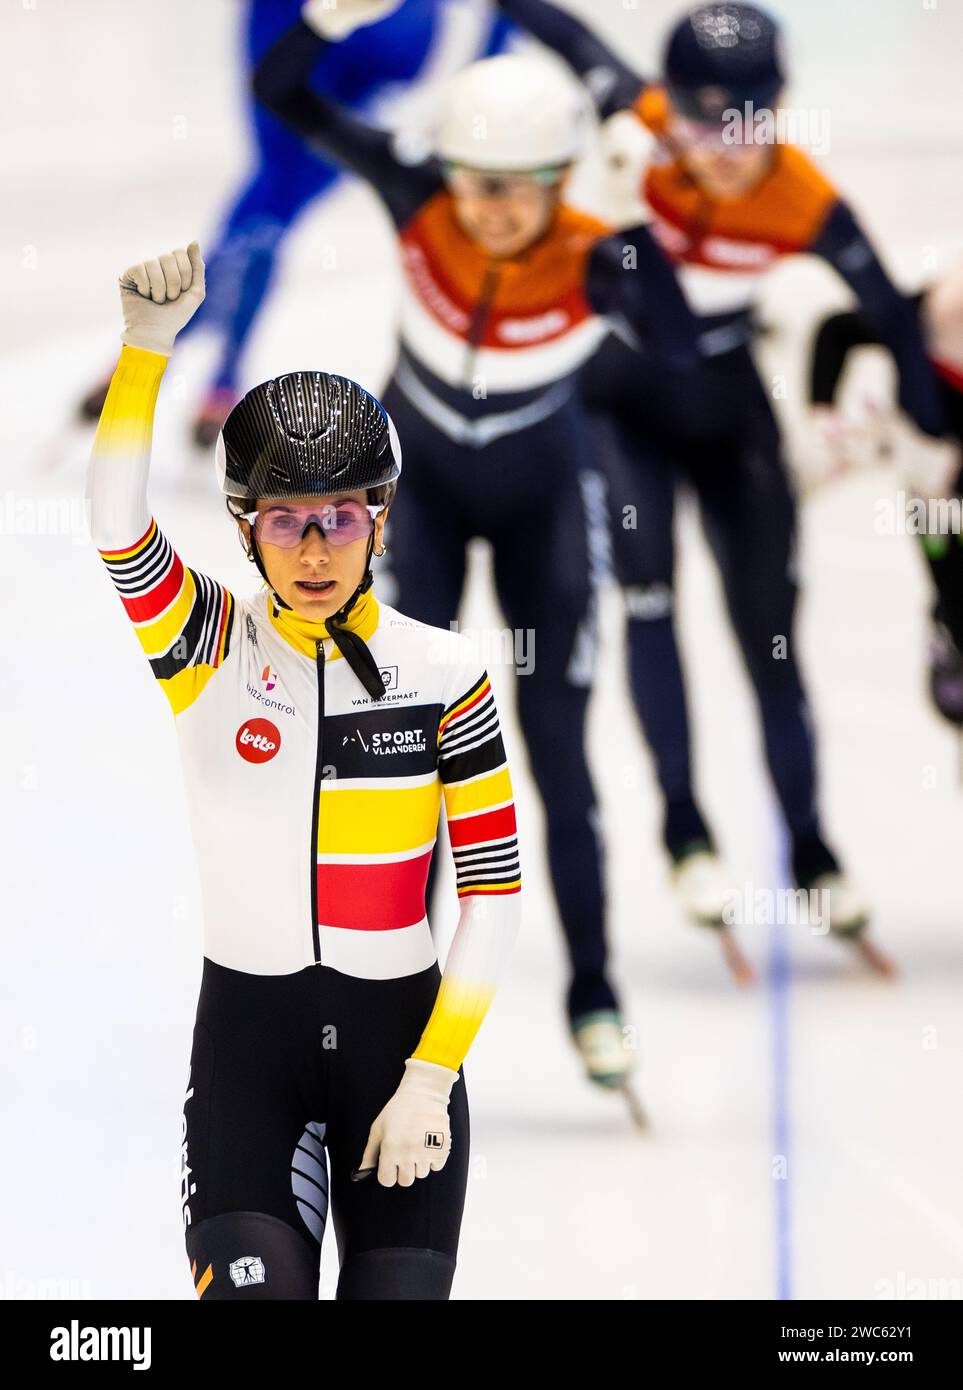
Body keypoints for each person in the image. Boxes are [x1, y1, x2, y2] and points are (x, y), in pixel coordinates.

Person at [252, 0, 703, 1089]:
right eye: (475, 185)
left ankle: (594, 990)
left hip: (547, 500)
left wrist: (633, 218)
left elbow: (684, 346)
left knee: (557, 756)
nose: (491, 211)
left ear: (560, 180)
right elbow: (284, 96)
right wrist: (321, 21)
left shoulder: (599, 254)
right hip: (432, 501)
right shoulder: (417, 188)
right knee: (403, 756)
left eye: (519, 189)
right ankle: (391, 999)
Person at [87, 241, 521, 1300]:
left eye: (340, 517)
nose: (316, 549)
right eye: (286, 520)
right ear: (245, 528)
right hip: (249, 1063)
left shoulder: (445, 671)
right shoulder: (207, 647)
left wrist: (432, 1075)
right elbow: (114, 524)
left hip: (401, 1056)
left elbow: (496, 894)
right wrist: (147, 351)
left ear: (379, 517)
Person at [493, 0, 944, 957]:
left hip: (726, 411)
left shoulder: (803, 200)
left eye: (749, 122)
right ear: (669, 107)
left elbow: (896, 326)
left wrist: (941, 427)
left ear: (779, 110)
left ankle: (812, 849)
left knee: (770, 634)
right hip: (619, 408)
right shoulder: (634, 120)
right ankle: (684, 827)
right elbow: (564, 35)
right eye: (702, 122)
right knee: (647, 599)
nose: (727, 149)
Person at [79, 0, 516, 445]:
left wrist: (476, 89)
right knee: (273, 199)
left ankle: (172, 351)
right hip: (310, 27)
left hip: (371, 47)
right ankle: (215, 372)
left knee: (271, 198)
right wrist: (481, 74)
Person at [810, 259, 963, 728]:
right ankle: (951, 630)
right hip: (930, 482)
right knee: (949, 577)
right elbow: (836, 330)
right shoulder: (920, 314)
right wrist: (823, 412)